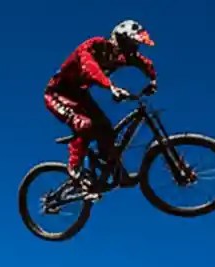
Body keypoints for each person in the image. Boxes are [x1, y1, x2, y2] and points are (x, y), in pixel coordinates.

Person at [43, 20, 158, 199]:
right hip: (58, 93)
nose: (134, 50)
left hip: (79, 95)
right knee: (85, 125)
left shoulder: (123, 57)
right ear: (121, 39)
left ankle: (115, 171)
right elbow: (90, 68)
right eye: (132, 44)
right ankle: (74, 169)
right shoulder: (95, 46)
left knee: (106, 129)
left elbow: (144, 62)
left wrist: (153, 80)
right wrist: (110, 86)